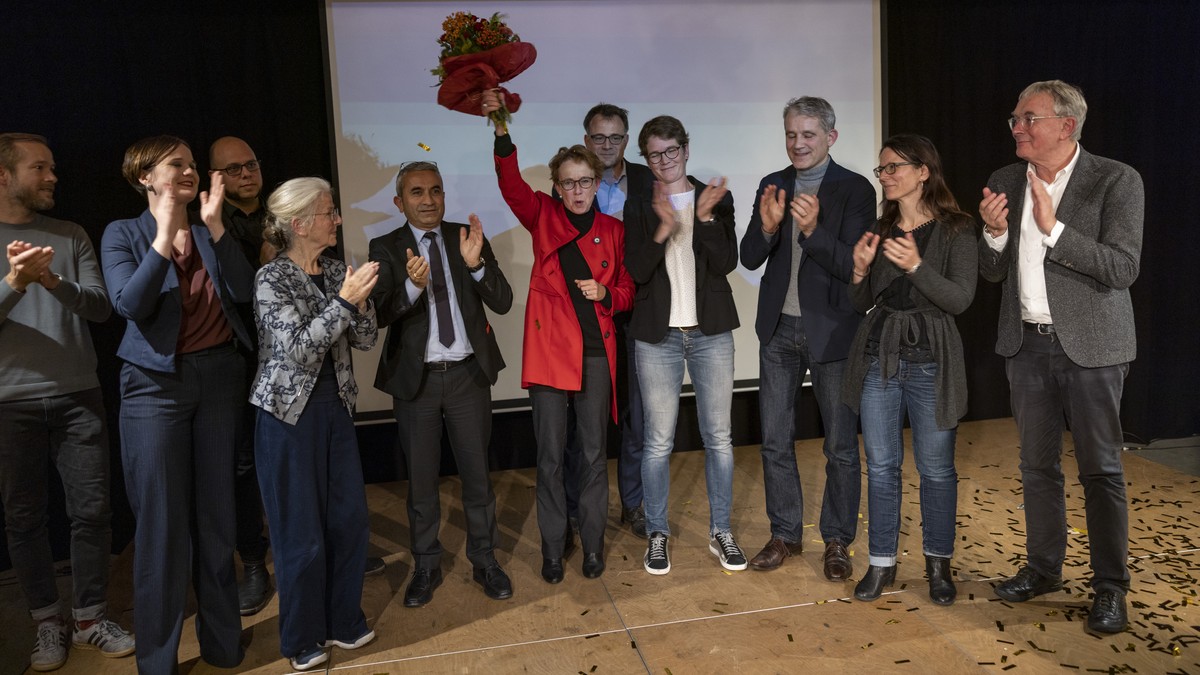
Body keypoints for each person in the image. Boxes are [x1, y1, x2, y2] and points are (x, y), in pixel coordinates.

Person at [979, 80, 1143, 633]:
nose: (1016, 128)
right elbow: (992, 272)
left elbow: (1122, 268)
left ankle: (1110, 588)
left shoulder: (1115, 180)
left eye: (1028, 119)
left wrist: (1054, 230)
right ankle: (1044, 569)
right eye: (1015, 119)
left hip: (1093, 349)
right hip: (1026, 346)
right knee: (1036, 467)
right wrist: (995, 235)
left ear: (1066, 125)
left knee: (1101, 471)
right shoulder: (1006, 180)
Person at [101, 135, 253, 673]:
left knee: (216, 521)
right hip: (153, 387)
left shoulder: (216, 227)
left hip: (217, 379)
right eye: (176, 164)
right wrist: (165, 236)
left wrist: (213, 228)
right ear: (145, 176)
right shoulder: (125, 233)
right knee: (162, 530)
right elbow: (131, 303)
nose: (189, 171)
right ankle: (159, 663)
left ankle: (222, 644)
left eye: (192, 165)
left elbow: (243, 292)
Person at [483, 89, 634, 583]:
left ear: (597, 182)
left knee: (592, 455)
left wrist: (606, 294)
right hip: (551, 356)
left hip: (594, 357)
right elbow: (509, 184)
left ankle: (591, 545)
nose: (577, 191)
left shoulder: (613, 230)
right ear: (556, 186)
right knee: (549, 458)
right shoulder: (542, 215)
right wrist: (502, 128)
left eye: (585, 181)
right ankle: (553, 547)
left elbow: (629, 291)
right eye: (568, 183)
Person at [0, 133, 134, 671]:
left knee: (92, 513)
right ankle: (46, 623)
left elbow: (102, 309)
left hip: (79, 394)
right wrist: (15, 280)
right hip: (9, 403)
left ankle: (88, 618)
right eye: (40, 168)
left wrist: (51, 279)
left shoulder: (70, 234)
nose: (53, 176)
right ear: (4, 175)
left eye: (53, 167)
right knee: (24, 518)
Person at [738, 97, 875, 578]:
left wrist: (812, 230)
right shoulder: (772, 184)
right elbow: (750, 257)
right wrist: (770, 228)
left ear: (831, 137)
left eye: (808, 134)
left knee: (839, 445)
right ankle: (785, 535)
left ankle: (837, 540)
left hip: (834, 332)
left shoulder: (855, 190)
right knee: (775, 440)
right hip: (778, 330)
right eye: (791, 134)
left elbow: (851, 266)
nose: (798, 143)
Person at [369, 160, 515, 605]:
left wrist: (475, 267)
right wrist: (412, 288)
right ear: (399, 201)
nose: (428, 200)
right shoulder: (386, 245)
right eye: (417, 192)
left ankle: (485, 561)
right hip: (419, 384)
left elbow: (503, 301)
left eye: (435, 190)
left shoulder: (465, 238)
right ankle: (426, 566)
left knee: (477, 479)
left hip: (469, 377)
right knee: (421, 483)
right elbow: (377, 315)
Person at [841, 134, 977, 606]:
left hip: (932, 363)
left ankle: (938, 565)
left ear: (924, 171)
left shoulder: (957, 228)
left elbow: (959, 299)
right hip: (880, 358)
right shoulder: (879, 229)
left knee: (937, 470)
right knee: (881, 467)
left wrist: (917, 266)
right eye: (882, 169)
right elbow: (863, 305)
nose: (886, 176)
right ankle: (881, 563)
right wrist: (859, 272)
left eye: (894, 167)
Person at [251, 177, 379, 671]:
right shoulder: (271, 279)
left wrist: (361, 303)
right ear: (300, 223)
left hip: (336, 411)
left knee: (349, 523)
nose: (338, 219)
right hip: (287, 419)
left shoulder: (332, 271)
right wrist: (344, 302)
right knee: (299, 531)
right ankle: (302, 637)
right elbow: (300, 350)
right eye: (329, 212)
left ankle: (343, 621)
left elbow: (364, 340)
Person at [623, 115, 743, 576]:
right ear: (646, 159)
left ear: (686, 150)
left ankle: (721, 531)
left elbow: (726, 261)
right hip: (659, 337)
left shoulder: (717, 199)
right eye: (654, 155)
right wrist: (662, 227)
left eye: (671, 151)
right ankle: (657, 532)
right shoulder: (638, 205)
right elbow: (635, 270)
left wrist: (703, 217)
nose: (664, 161)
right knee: (657, 441)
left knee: (720, 438)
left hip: (710, 333)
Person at [561, 103, 655, 538]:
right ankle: (579, 506)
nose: (607, 145)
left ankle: (633, 504)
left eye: (615, 138)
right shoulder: (574, 187)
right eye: (598, 138)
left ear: (627, 139)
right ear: (586, 140)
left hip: (635, 309)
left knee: (636, 416)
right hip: (584, 316)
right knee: (584, 422)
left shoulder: (649, 181)